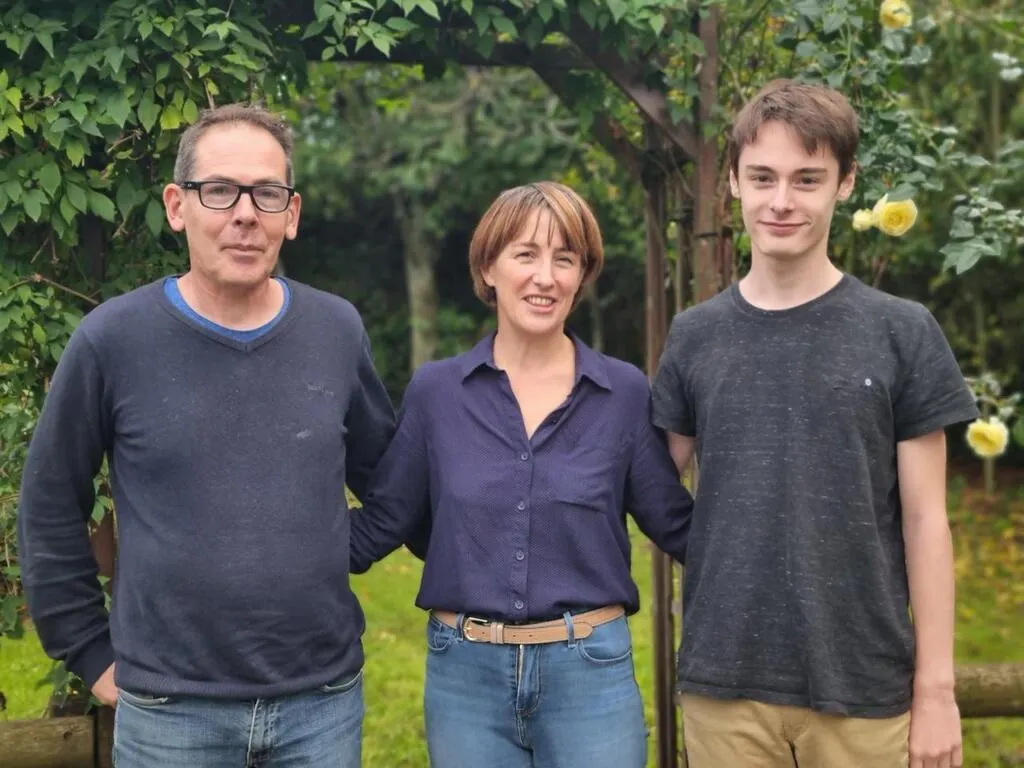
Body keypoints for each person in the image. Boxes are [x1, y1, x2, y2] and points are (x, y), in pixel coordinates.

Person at [17, 104, 395, 767]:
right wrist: (88, 651)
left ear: (292, 212)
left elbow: (389, 479)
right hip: (170, 713)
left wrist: (338, 545)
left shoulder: (336, 331)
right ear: (177, 205)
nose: (245, 213)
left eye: (266, 193)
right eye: (219, 190)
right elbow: (49, 506)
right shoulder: (111, 340)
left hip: (321, 705)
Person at [652, 79, 978, 768]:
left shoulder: (902, 332)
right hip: (725, 681)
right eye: (762, 177)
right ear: (734, 183)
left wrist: (937, 690)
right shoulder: (696, 336)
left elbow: (926, 523)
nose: (781, 201)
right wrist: (723, 545)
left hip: (864, 684)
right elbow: (647, 486)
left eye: (807, 179)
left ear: (846, 183)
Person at [348, 181, 693, 767]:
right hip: (465, 677)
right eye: (526, 254)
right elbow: (382, 523)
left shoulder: (624, 394)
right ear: (488, 268)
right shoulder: (437, 393)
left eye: (565, 259)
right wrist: (265, 538)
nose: (546, 276)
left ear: (582, 276)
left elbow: (677, 525)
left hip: (590, 674)